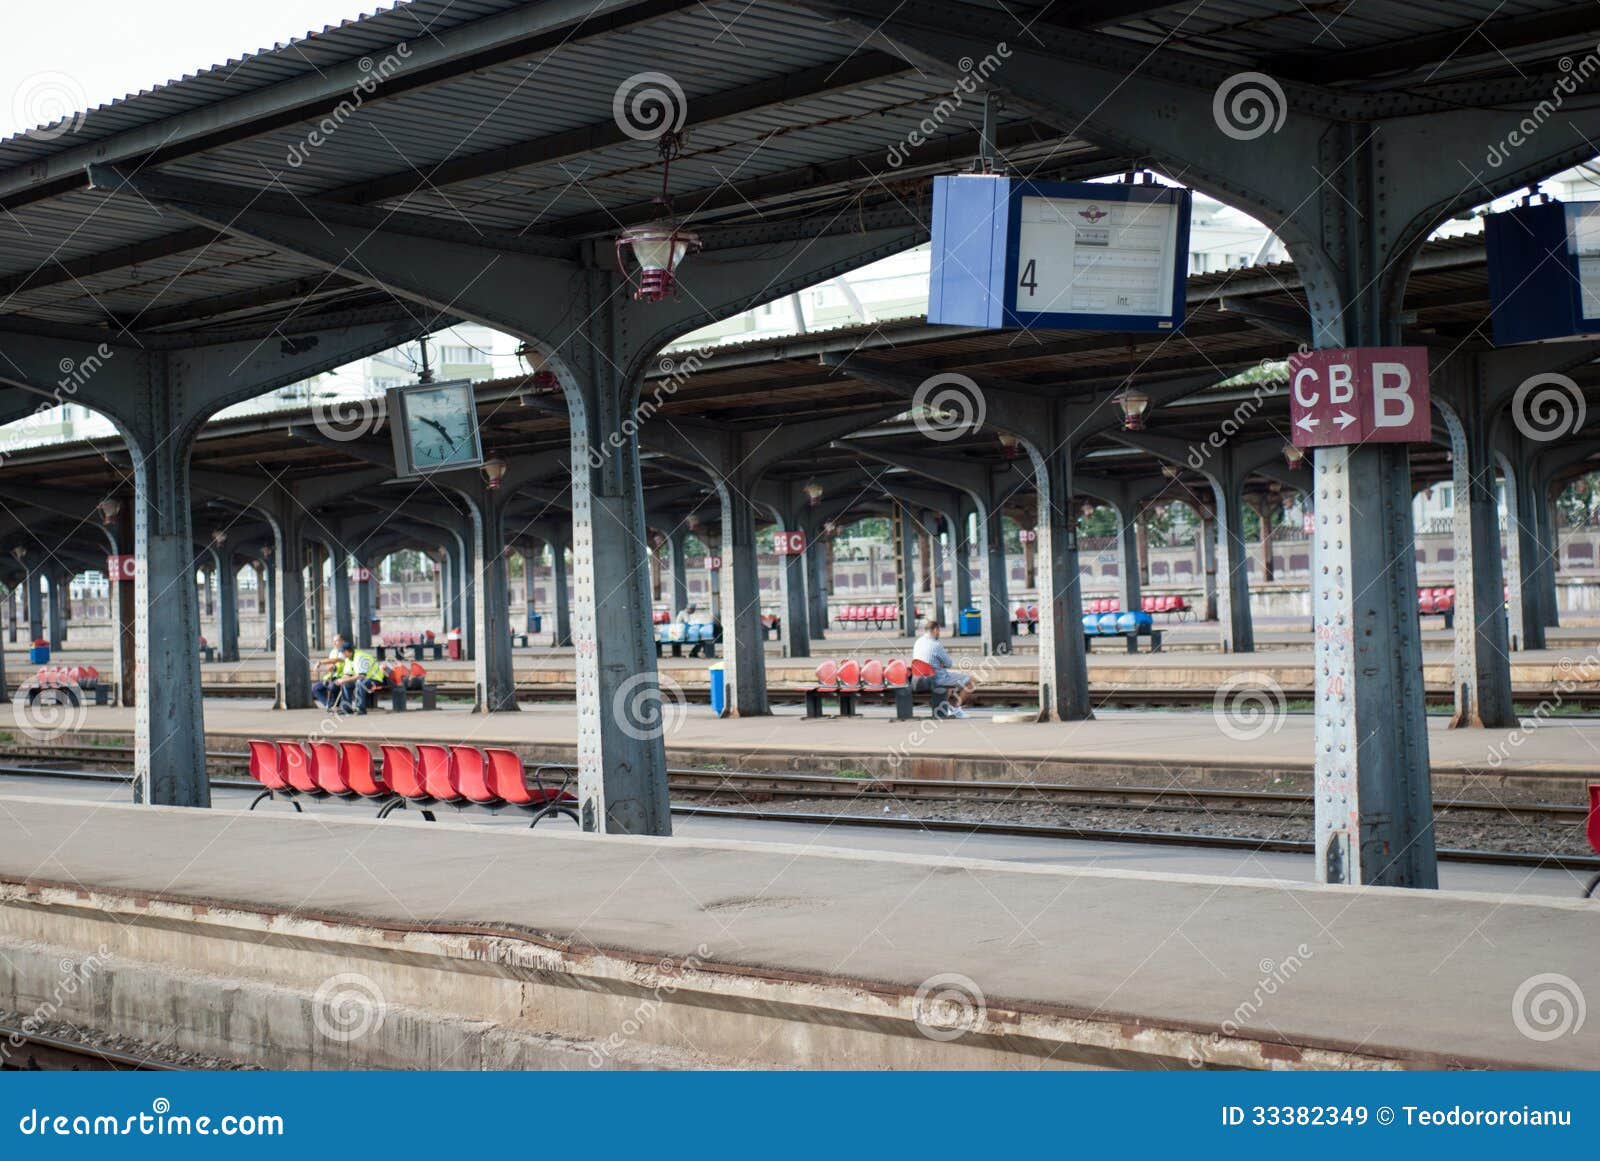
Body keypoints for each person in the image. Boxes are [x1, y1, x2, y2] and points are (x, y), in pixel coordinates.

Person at [912, 617, 974, 718]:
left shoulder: (918, 642)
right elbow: (949, 663)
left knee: (949, 685)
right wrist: (940, 664)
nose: (939, 634)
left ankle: (947, 708)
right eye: (939, 631)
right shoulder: (936, 644)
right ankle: (956, 709)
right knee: (970, 682)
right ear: (935, 630)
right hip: (935, 678)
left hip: (920, 678)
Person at [332, 642, 384, 715]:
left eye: (342, 652)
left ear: (347, 651)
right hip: (362, 679)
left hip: (375, 680)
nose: (341, 654)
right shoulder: (348, 658)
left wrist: (344, 680)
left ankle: (361, 709)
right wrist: (341, 680)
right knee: (346, 683)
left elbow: (361, 675)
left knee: (360, 682)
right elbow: (347, 674)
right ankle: (346, 709)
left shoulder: (361, 657)